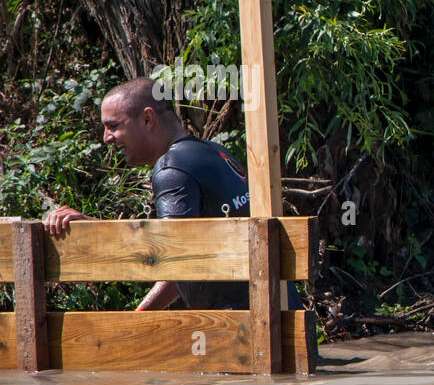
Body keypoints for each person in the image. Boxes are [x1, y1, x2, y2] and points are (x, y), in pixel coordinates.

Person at [43, 76, 275, 311]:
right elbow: (186, 253)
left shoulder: (172, 167)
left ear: (147, 118)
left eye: (113, 126)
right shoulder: (214, 152)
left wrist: (136, 323)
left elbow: (169, 255)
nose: (106, 138)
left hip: (242, 328)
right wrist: (96, 227)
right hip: (274, 310)